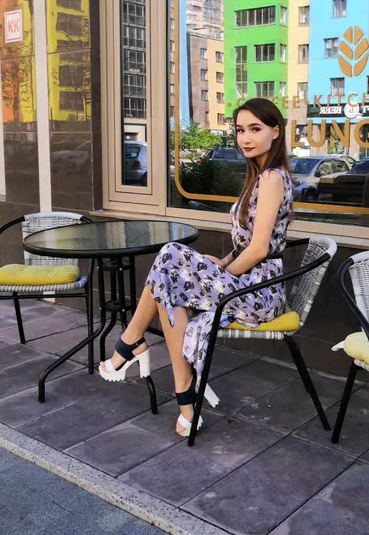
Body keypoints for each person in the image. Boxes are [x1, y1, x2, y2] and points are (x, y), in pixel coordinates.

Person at [99, 98, 294, 437]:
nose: (245, 138)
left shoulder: (272, 179)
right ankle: (181, 388)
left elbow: (259, 249)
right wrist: (223, 262)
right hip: (251, 281)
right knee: (169, 279)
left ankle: (134, 345)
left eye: (255, 129)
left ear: (275, 132)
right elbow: (248, 245)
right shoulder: (262, 176)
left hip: (260, 292)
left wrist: (220, 276)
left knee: (170, 257)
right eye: (240, 130)